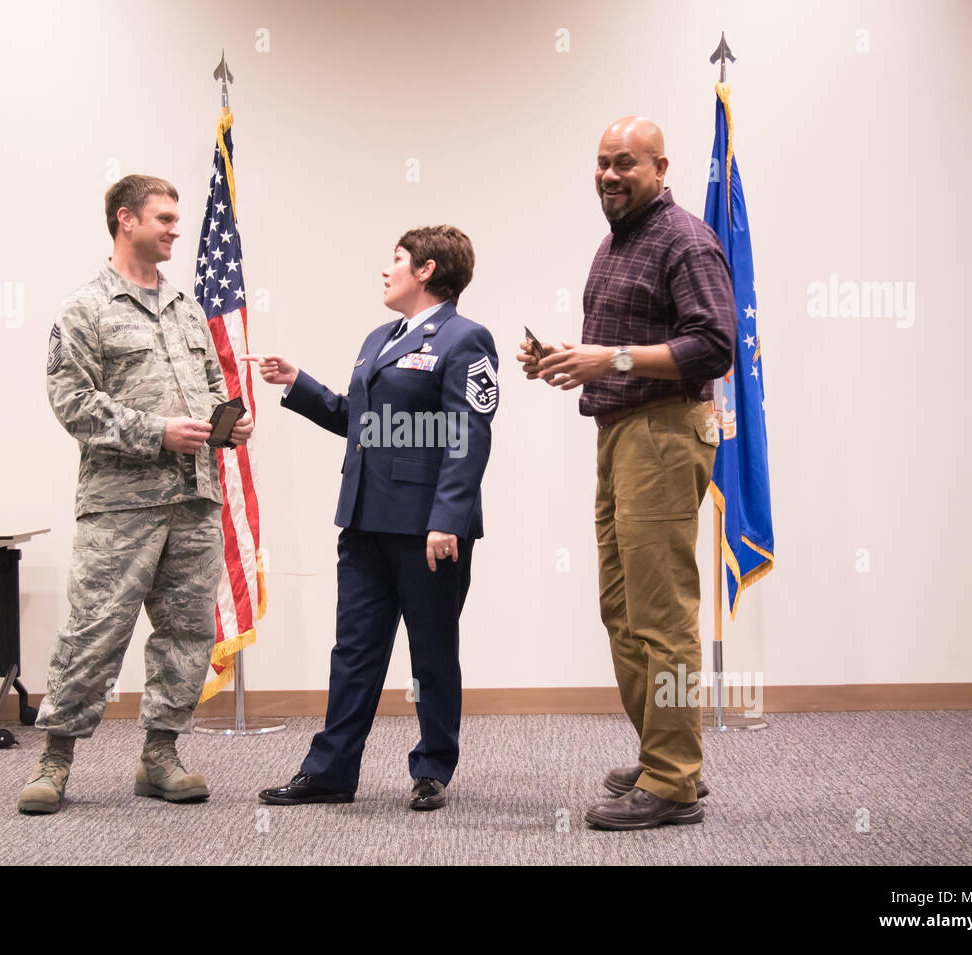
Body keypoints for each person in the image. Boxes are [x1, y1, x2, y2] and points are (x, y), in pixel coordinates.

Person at [519, 117, 735, 830]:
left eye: (625, 164)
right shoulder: (619, 241)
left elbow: (713, 344)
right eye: (602, 164)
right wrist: (565, 357)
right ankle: (664, 754)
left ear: (659, 167)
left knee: (662, 615)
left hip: (666, 434)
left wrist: (606, 359)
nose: (610, 175)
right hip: (620, 436)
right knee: (623, 610)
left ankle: (673, 782)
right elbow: (619, 344)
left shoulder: (685, 239)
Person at [18, 174, 253, 815]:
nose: (177, 228)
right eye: (165, 218)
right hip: (121, 505)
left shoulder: (186, 310)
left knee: (186, 633)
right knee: (94, 632)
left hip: (195, 497)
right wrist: (157, 432)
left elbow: (209, 386)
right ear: (126, 220)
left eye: (178, 219)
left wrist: (228, 424)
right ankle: (54, 760)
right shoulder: (85, 309)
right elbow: (72, 402)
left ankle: (161, 756)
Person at [248, 225, 497, 812]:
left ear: (428, 270)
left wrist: (448, 519)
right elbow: (359, 420)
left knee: (432, 651)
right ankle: (331, 770)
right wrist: (298, 384)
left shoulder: (465, 339)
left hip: (426, 528)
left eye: (397, 260)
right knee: (354, 651)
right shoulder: (380, 337)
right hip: (364, 521)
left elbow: (468, 434)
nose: (386, 271)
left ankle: (433, 768)